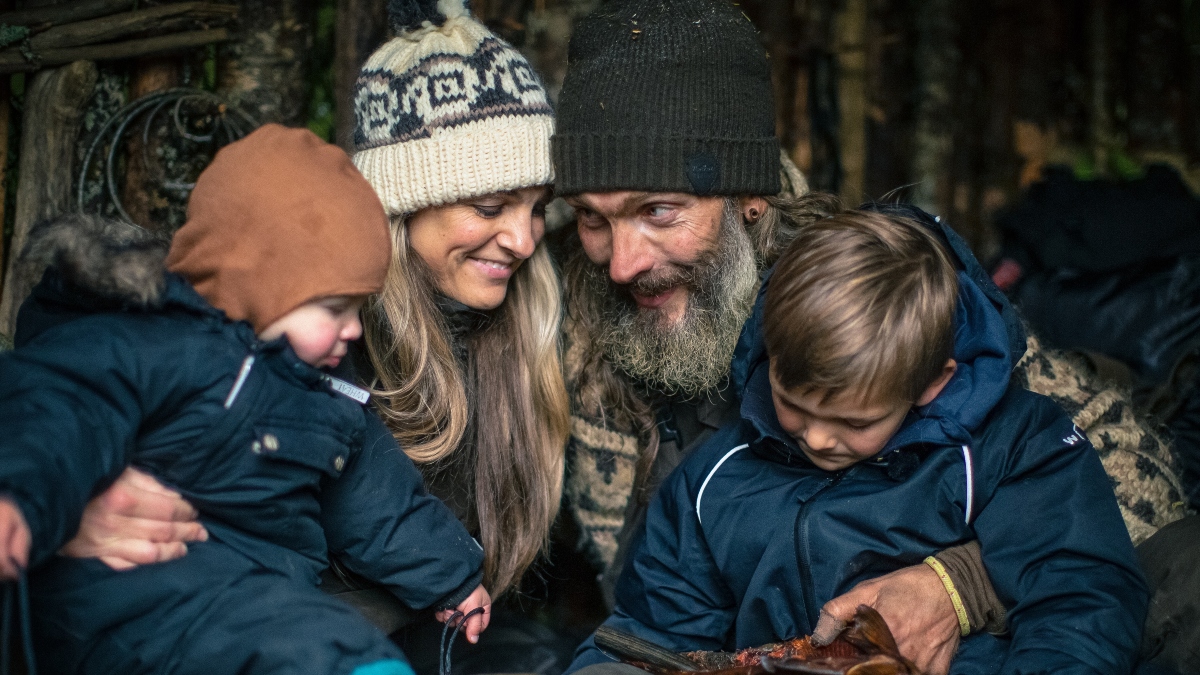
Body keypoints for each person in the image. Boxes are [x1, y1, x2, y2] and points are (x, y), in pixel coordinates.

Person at [549, 0, 1188, 672]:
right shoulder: (581, 326)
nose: (620, 262)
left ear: (749, 198)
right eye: (594, 218)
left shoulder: (874, 284)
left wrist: (960, 582)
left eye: (657, 211)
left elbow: (1096, 501)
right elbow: (650, 623)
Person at [51, 0, 572, 671]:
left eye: (538, 206)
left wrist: (451, 582)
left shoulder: (522, 324)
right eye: (492, 206)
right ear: (401, 203)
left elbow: (376, 498)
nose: (526, 239)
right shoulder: (289, 332)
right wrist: (73, 491)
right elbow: (76, 373)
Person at [566, 202, 1148, 675]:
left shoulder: (1009, 450)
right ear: (767, 352)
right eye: (793, 405)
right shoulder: (714, 477)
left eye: (855, 423)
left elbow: (1080, 596)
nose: (818, 438)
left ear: (931, 382)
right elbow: (657, 629)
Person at [0, 125, 489, 674]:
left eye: (358, 309)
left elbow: (377, 498)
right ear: (257, 284)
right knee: (326, 651)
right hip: (133, 600)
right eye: (333, 309)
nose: (353, 330)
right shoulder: (153, 344)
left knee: (327, 641)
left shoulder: (327, 392)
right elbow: (55, 414)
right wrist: (16, 497)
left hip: (253, 604)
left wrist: (452, 576)